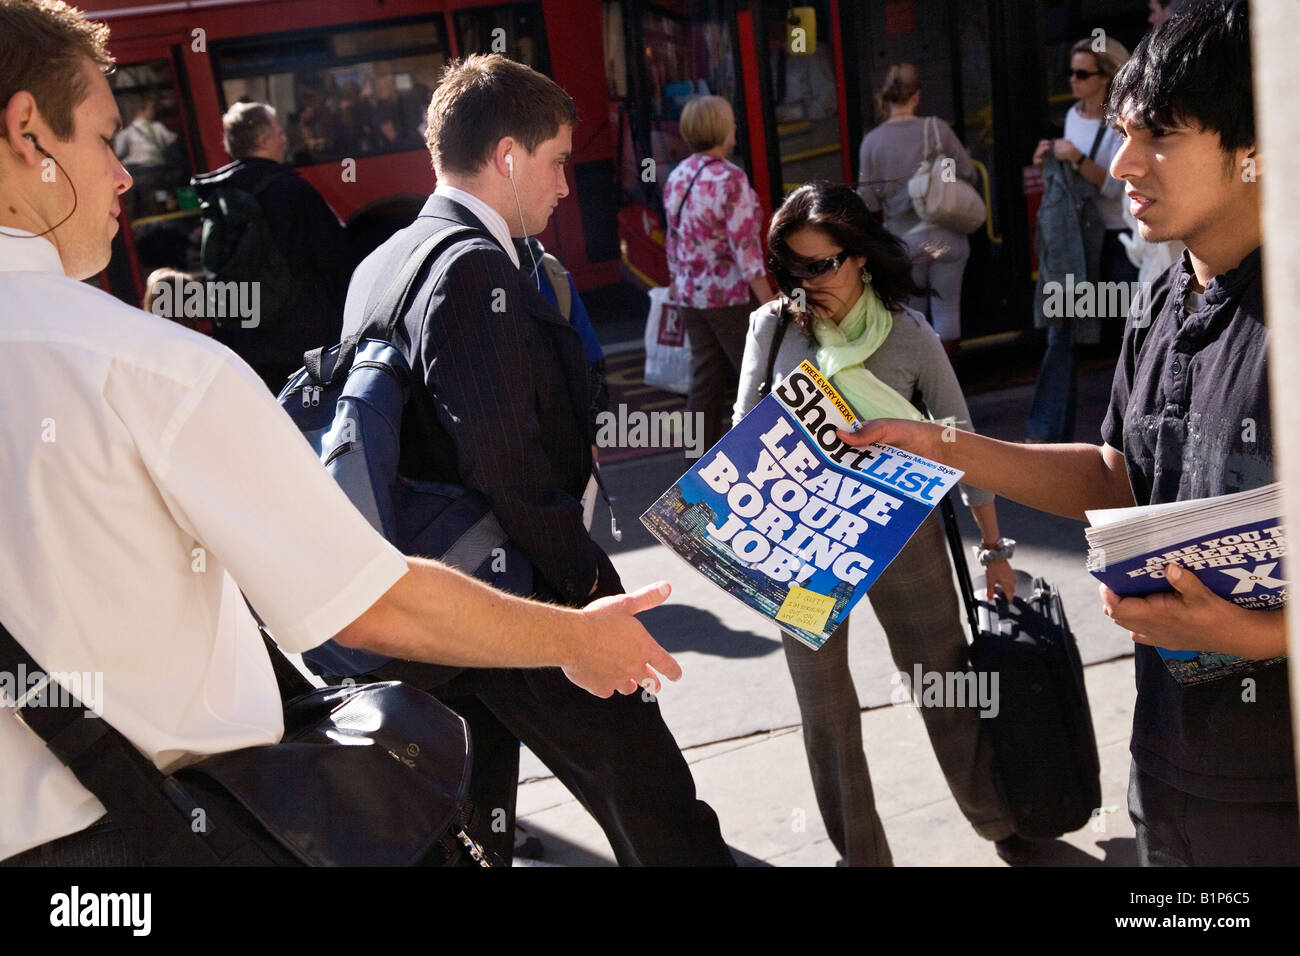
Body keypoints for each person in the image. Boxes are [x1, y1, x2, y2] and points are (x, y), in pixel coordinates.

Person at [0, 0, 678, 865]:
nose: (125, 175)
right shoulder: (144, 367)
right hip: (154, 837)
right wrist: (580, 633)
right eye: (103, 136)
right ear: (29, 133)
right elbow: (371, 603)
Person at [840, 0, 1296, 866]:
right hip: (1169, 769)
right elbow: (1115, 473)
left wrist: (1263, 637)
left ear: (1257, 145)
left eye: (1159, 134)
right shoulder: (1164, 297)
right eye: (1121, 130)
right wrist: (940, 447)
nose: (1123, 162)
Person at [337, 54, 734, 867]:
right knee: (659, 814)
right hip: (525, 598)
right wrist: (590, 597)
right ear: (508, 156)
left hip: (439, 613)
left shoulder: (384, 260)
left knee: (469, 830)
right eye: (557, 162)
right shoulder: (472, 266)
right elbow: (507, 465)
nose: (563, 186)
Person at [734, 183, 1024, 866]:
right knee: (825, 712)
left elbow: (963, 442)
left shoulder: (910, 333)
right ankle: (861, 857)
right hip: (802, 547)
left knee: (942, 684)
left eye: (824, 264)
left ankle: (1000, 819)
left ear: (860, 256)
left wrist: (994, 549)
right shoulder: (771, 326)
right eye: (796, 267)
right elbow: (743, 434)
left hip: (901, 533)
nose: (811, 282)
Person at [191, 100, 353, 393]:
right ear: (263, 140)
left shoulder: (220, 198)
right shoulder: (293, 190)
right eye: (278, 133)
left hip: (249, 348)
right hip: (305, 345)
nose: (284, 139)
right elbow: (335, 258)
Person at [1026, 36, 1135, 443]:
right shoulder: (1072, 116)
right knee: (1063, 331)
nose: (1072, 80)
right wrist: (1052, 157)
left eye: (1082, 73)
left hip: (1119, 242)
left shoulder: (1121, 124)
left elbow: (1117, 187)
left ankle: (1135, 431)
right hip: (1078, 245)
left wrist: (1077, 159)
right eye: (1069, 72)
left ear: (1106, 78)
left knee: (1134, 329)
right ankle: (1047, 434)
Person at [663, 94, 774, 452]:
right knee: (758, 379)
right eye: (731, 122)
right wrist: (771, 302)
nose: (736, 128)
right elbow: (746, 249)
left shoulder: (678, 176)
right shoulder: (730, 179)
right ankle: (765, 459)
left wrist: (676, 286)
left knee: (705, 383)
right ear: (720, 129)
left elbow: (673, 240)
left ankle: (696, 467)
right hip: (728, 297)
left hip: (690, 297)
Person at [857, 63, 979, 358]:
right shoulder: (936, 129)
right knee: (948, 311)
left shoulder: (871, 142)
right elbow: (968, 173)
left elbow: (869, 202)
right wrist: (939, 181)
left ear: (886, 97)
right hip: (945, 237)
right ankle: (951, 387)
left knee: (914, 320)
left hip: (904, 244)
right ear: (916, 96)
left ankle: (921, 392)